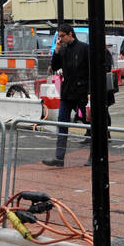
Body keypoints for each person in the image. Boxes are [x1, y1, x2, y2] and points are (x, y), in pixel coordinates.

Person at [43, 23, 90, 167]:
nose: (60, 39)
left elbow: (90, 71)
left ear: (70, 34)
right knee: (62, 122)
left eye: (62, 36)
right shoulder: (62, 49)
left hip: (81, 93)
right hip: (67, 91)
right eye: (59, 36)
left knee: (88, 122)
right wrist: (56, 51)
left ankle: (94, 156)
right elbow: (55, 67)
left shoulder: (84, 48)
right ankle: (59, 157)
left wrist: (89, 92)